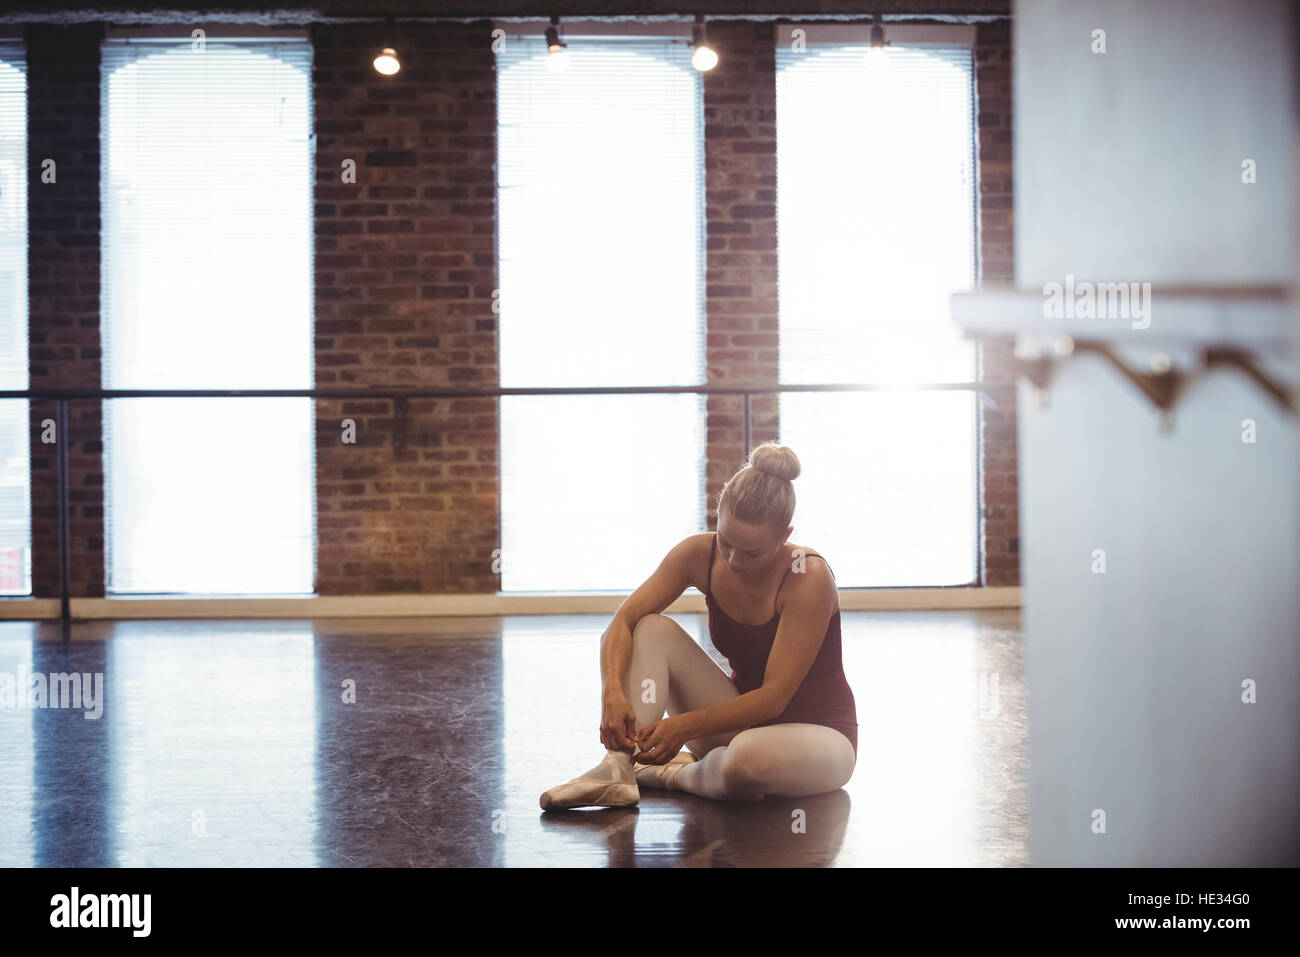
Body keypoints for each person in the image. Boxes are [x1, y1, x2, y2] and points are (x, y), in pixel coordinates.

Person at [539, 441, 858, 809]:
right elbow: (623, 621)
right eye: (726, 542)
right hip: (738, 723)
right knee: (651, 627)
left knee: (745, 761)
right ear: (717, 516)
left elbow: (774, 698)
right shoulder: (696, 554)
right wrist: (612, 691)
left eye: (752, 553)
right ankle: (619, 769)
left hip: (820, 739)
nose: (735, 560)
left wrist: (684, 726)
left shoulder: (807, 575)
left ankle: (672, 775)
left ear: (785, 536)